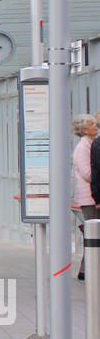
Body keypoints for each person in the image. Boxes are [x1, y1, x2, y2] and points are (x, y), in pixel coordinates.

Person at [76, 112, 100, 280]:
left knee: (92, 234)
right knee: (93, 234)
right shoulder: (83, 147)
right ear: (85, 129)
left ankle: (86, 270)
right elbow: (88, 173)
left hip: (91, 196)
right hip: (89, 198)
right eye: (92, 124)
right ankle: (87, 270)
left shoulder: (89, 144)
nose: (96, 126)